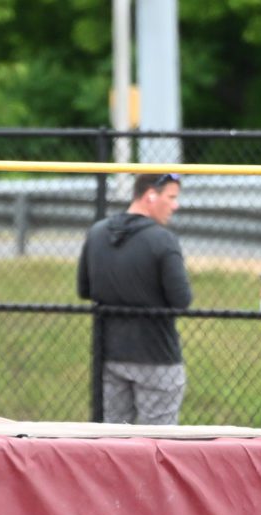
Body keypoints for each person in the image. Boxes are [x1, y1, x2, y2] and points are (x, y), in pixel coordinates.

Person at [77, 173, 192, 424]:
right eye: (171, 197)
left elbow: (85, 289)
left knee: (112, 444)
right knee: (158, 445)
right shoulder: (163, 240)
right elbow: (181, 299)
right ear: (151, 195)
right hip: (157, 356)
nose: (176, 205)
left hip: (110, 355)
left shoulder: (96, 233)